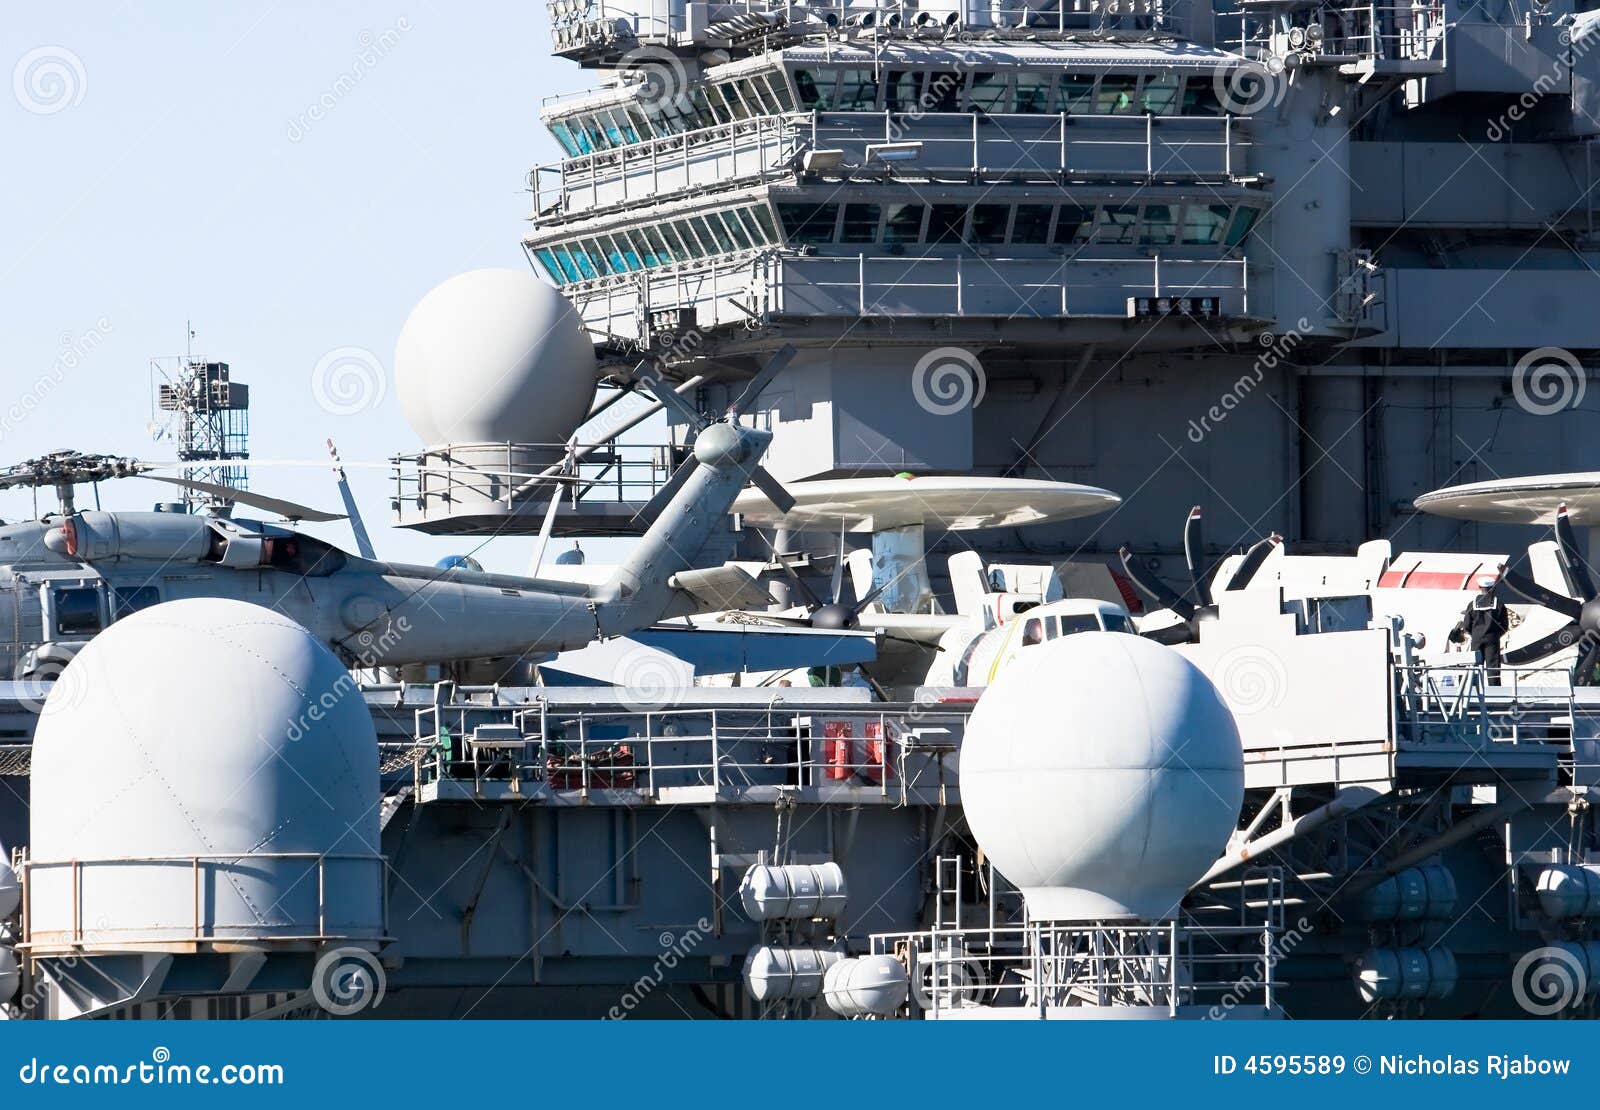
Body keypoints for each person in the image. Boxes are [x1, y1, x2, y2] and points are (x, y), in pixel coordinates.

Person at [1460, 575, 1509, 684]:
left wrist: (1475, 634)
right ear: (1493, 587)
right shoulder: (1499, 604)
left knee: (1475, 665)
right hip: (1492, 640)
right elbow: (1504, 626)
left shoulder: (1472, 604)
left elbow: (1467, 624)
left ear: (1479, 587)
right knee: (1493, 666)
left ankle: (1474, 689)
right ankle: (1495, 690)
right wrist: (1495, 635)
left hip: (1477, 640)